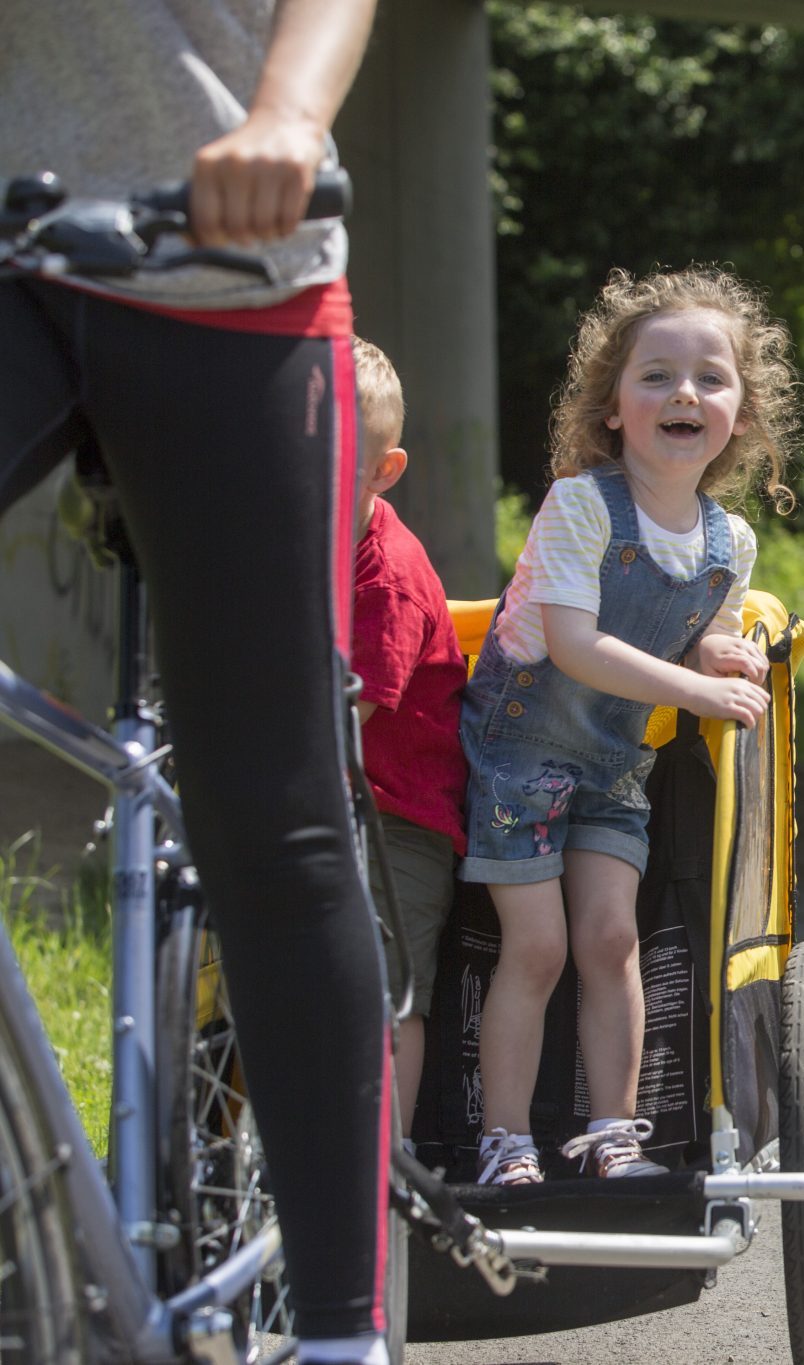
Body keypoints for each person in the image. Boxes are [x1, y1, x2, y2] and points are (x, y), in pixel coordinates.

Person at [0, 4, 395, 1362]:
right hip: (11, 250)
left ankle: (345, 1335)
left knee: (269, 815)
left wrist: (287, 114)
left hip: (221, 265)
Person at [462, 267, 799, 1185]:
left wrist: (712, 663)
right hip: (521, 755)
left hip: (612, 763)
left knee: (612, 939)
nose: (683, 392)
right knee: (536, 946)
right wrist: (695, 692)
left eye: (710, 378)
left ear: (741, 412)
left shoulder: (731, 543)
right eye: (655, 375)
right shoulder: (581, 506)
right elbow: (574, 646)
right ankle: (504, 1142)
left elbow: (692, 646)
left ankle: (613, 1135)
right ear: (612, 407)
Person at [349, 336, 469, 1143]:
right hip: (336, 800)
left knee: (390, 990)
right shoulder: (299, 545)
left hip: (399, 818)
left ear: (385, 470)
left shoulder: (385, 571)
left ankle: (380, 1165)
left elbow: (340, 714)